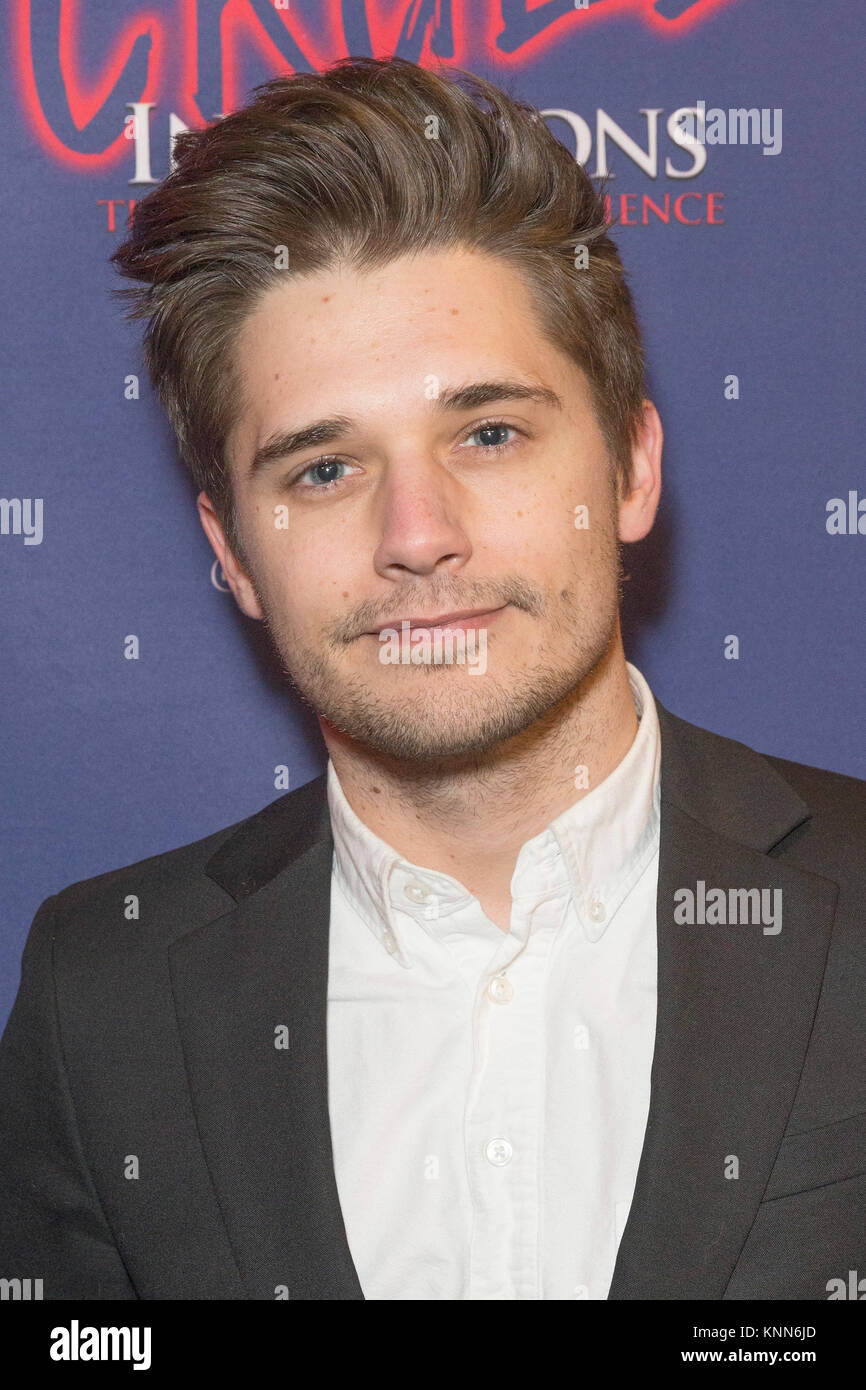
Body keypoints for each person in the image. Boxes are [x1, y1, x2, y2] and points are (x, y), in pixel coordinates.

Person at [1, 56, 864, 1301]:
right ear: (233, 553)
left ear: (628, 467)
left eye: (489, 433)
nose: (417, 531)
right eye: (322, 470)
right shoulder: (105, 990)